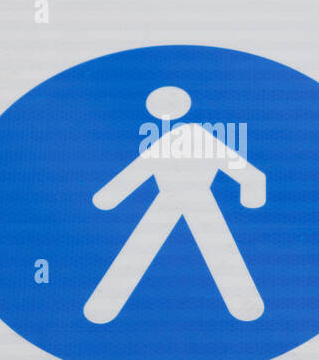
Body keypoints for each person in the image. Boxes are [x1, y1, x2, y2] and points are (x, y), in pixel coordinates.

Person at [84, 86, 266, 323]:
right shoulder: (181, 139)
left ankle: (247, 308)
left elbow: (246, 172)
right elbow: (140, 170)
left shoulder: (191, 139)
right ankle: (101, 309)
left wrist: (108, 199)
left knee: (146, 249)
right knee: (143, 249)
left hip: (191, 201)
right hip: (176, 200)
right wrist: (108, 198)